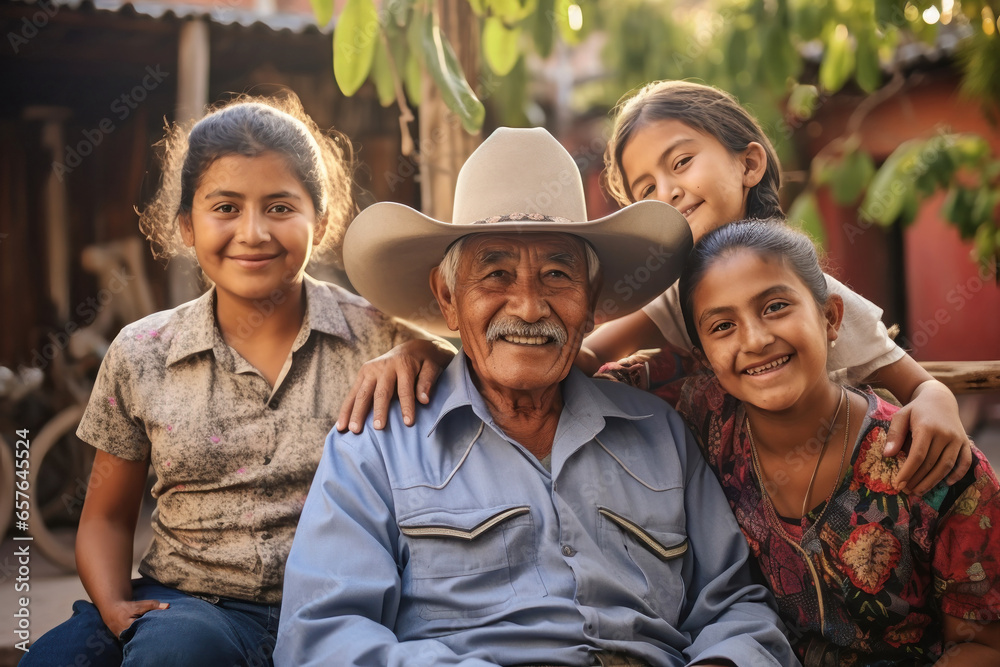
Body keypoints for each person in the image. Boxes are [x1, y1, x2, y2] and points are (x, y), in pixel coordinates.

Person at [275, 127, 797, 667]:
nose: (528, 306)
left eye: (556, 274)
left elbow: (738, 608)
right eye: (496, 274)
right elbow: (322, 634)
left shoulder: (657, 431)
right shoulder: (380, 441)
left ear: (591, 302)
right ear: (447, 298)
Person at [338, 80, 971, 498]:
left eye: (681, 162)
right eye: (644, 188)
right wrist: (434, 352)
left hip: (844, 489)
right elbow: (566, 353)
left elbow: (916, 383)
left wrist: (938, 402)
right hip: (744, 506)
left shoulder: (809, 292)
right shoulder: (672, 296)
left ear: (749, 162)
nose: (668, 192)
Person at [21, 95, 449, 667]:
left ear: (320, 223)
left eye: (279, 207)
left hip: (333, 608)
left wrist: (430, 349)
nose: (252, 232)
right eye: (225, 207)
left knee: (175, 654)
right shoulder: (142, 353)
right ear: (185, 227)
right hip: (179, 599)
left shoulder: (378, 335)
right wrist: (115, 605)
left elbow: (472, 370)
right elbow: (104, 515)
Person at [669, 219, 1000, 665]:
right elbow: (571, 370)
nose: (756, 339)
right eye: (723, 326)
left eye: (775, 307)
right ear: (703, 355)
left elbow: (981, 645)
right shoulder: (704, 420)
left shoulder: (930, 460)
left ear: (831, 318)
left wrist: (932, 391)